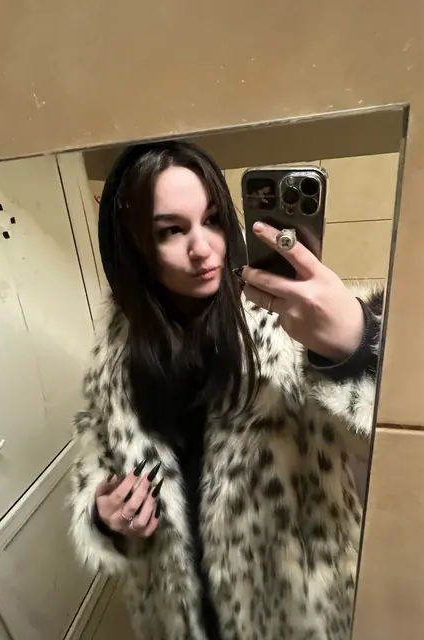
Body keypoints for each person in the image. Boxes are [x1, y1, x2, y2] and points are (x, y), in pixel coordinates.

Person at [69, 140, 383, 640]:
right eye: (171, 230)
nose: (203, 248)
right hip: (176, 613)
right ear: (136, 247)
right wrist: (105, 516)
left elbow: (387, 447)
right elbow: (95, 468)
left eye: (213, 219)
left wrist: (356, 343)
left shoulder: (292, 323)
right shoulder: (116, 349)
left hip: (291, 613)